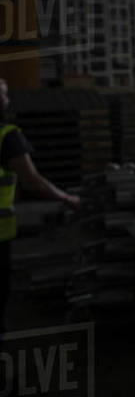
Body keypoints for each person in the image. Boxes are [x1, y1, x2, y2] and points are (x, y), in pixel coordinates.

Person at [0, 78, 83, 332]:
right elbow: (32, 181)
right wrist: (67, 198)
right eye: (2, 95)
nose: (7, 99)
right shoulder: (7, 135)